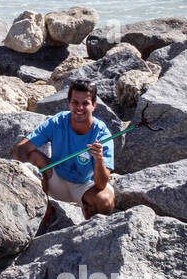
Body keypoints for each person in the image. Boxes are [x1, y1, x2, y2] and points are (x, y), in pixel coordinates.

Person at [13, 79, 115, 218]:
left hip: (85, 185)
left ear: (94, 106)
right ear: (69, 103)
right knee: (33, 157)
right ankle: (43, 210)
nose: (79, 108)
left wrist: (99, 159)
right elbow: (21, 148)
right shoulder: (57, 122)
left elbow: (101, 183)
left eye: (85, 103)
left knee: (105, 202)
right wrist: (27, 175)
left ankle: (87, 226)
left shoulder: (102, 134)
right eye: (75, 103)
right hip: (55, 180)